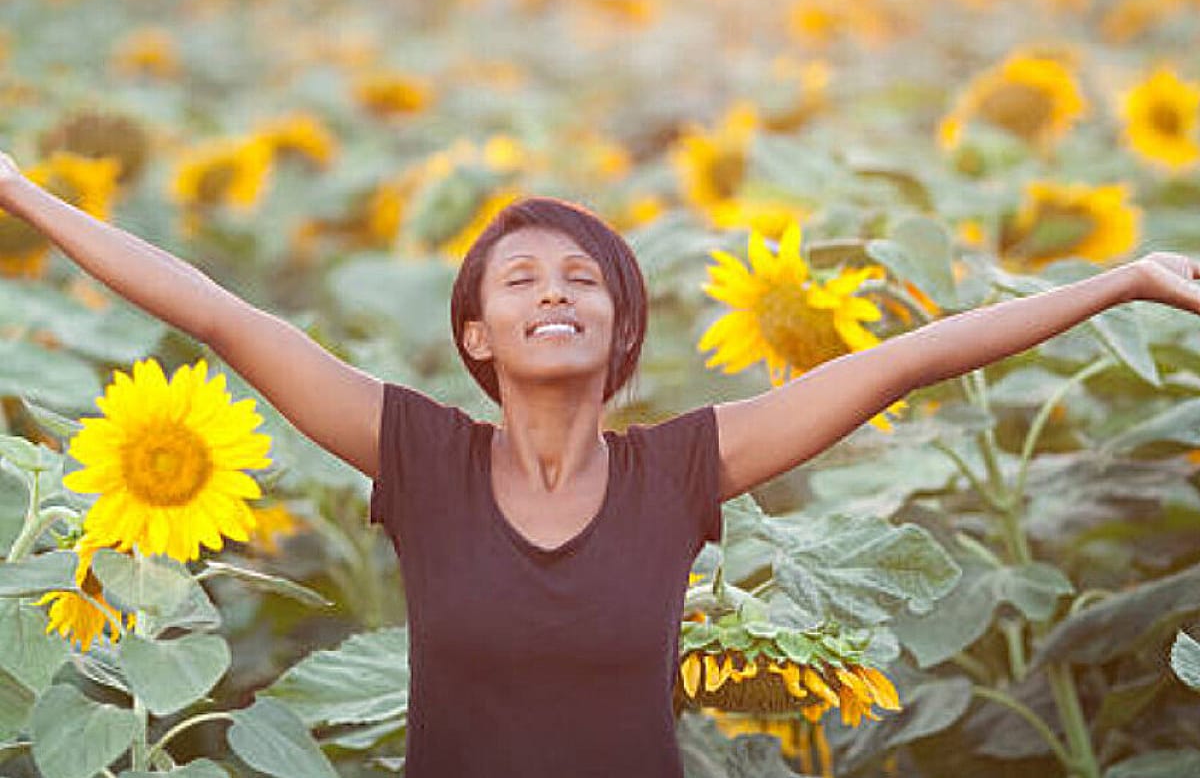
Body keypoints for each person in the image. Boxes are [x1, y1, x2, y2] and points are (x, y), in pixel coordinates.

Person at [2, 147, 1199, 777]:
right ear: (477, 334)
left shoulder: (681, 471)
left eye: (584, 279)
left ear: (624, 328)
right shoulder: (420, 457)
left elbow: (902, 363)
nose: (554, 292)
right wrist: (16, 190)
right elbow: (222, 317)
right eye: (520, 279)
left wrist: (1125, 279)